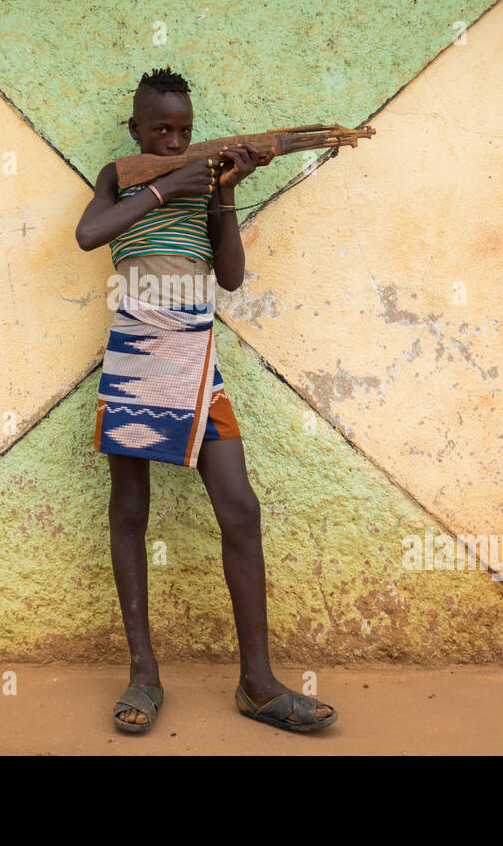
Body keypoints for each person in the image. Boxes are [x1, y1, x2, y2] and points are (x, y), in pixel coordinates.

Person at [74, 66, 338, 733]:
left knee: (240, 507)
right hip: (136, 351)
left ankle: (257, 681)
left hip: (196, 354)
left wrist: (221, 192)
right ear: (135, 130)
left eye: (185, 130)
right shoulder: (121, 174)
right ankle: (144, 674)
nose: (173, 139)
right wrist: (166, 186)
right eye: (160, 129)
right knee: (130, 508)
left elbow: (228, 275)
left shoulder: (202, 183)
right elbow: (88, 234)